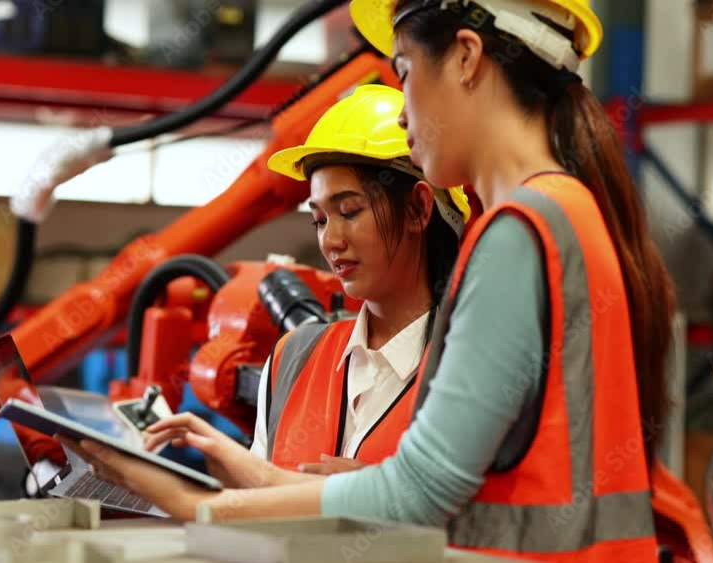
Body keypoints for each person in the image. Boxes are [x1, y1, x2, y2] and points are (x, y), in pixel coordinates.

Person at [61, 1, 675, 561]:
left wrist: (191, 501)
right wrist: (242, 475)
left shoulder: (522, 231)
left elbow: (421, 491)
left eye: (403, 71)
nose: (404, 111)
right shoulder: (567, 215)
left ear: (466, 57)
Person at [146, 84, 470, 480]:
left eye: (349, 211)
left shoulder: (471, 366)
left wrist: (376, 494)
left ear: (419, 209)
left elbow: (491, 523)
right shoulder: (294, 356)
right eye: (319, 220)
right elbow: (259, 502)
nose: (330, 241)